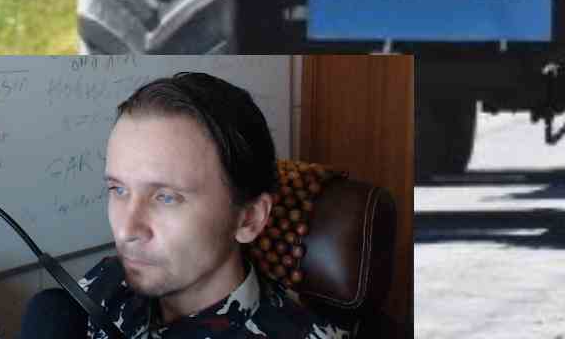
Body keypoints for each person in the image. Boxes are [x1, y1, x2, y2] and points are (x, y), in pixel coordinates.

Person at [50, 73, 346, 339]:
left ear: (249, 219)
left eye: (166, 197)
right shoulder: (108, 281)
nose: (127, 230)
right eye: (118, 189)